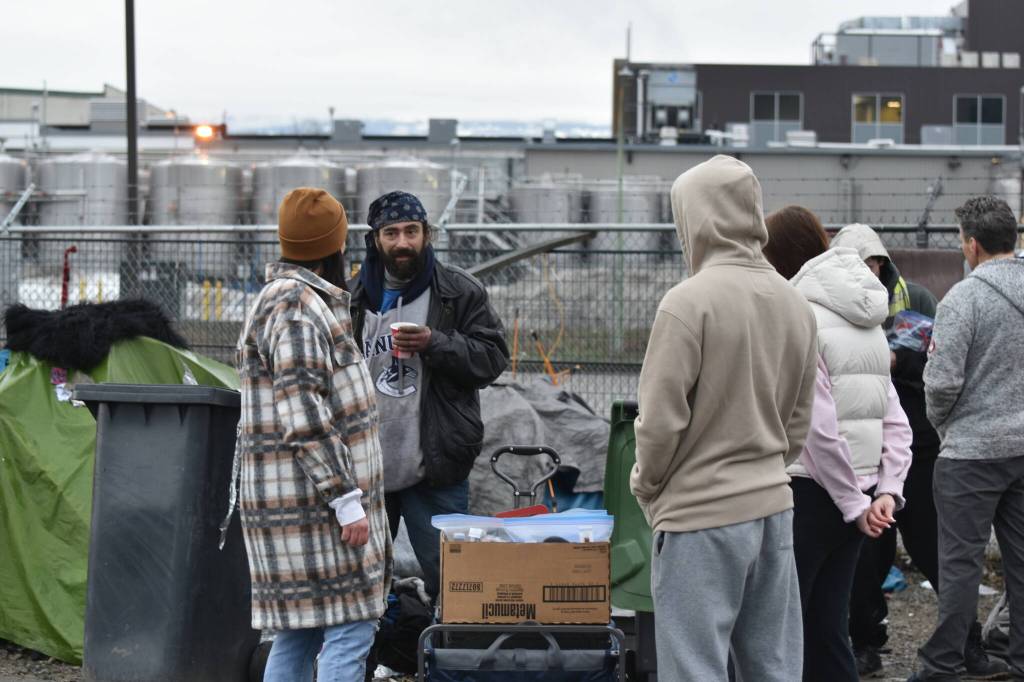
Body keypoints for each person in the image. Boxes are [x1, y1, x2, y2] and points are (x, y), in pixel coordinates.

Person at [630, 155, 819, 681]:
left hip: (699, 515)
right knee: (774, 666)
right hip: (773, 508)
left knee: (694, 667)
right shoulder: (795, 303)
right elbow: (798, 422)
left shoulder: (687, 303)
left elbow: (659, 422)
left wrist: (647, 487)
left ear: (694, 217)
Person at [236, 188, 391, 682]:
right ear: (335, 245)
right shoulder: (298, 306)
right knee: (351, 626)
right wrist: (345, 498)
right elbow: (303, 412)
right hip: (313, 507)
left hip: (301, 503)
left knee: (299, 633)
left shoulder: (294, 300)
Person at [763, 207, 913, 681]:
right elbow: (895, 420)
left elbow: (814, 427)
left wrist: (853, 504)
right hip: (862, 498)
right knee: (827, 628)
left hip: (811, 494)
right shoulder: (865, 316)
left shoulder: (798, 315)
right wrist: (885, 491)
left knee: (781, 629)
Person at [349, 190, 508, 600]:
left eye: (411, 231)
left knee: (452, 579)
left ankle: (446, 643)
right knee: (361, 580)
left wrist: (436, 343)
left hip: (435, 463)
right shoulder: (351, 297)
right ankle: (378, 642)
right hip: (367, 469)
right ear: (375, 239)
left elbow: (492, 358)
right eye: (391, 233)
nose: (403, 242)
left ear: (427, 234)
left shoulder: (458, 291)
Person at [909, 195, 1024, 681]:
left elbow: (940, 383)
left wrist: (945, 426)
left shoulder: (963, 299)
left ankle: (944, 662)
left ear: (972, 244)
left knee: (960, 565)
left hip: (970, 453)